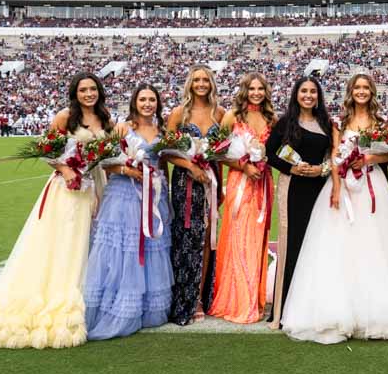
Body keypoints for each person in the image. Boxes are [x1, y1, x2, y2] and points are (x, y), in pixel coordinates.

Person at [282, 74, 388, 343]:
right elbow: (335, 157)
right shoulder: (340, 122)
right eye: (357, 88)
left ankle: (380, 310)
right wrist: (336, 187)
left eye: (366, 88)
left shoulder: (382, 122)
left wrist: (368, 157)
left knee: (376, 246)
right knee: (340, 248)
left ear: (372, 92)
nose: (361, 92)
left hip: (372, 187)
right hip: (345, 188)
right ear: (351, 92)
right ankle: (341, 310)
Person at [0, 73, 112, 349]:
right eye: (83, 89)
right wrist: (66, 169)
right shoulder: (65, 117)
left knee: (89, 244)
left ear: (99, 91)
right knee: (63, 245)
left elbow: (106, 155)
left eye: (93, 89)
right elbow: (45, 150)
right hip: (67, 191)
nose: (89, 93)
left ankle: (90, 303)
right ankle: (56, 301)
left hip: (94, 187)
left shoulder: (106, 118)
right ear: (75, 93)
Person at [84, 83, 173, 340]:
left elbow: (163, 164)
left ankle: (146, 309)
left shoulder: (162, 131)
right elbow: (105, 164)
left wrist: (162, 195)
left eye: (152, 100)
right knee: (125, 251)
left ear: (157, 103)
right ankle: (121, 310)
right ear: (134, 102)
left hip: (153, 197)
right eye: (143, 99)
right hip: (123, 198)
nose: (148, 104)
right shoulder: (122, 129)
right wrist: (129, 171)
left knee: (151, 248)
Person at [208, 73, 275, 324]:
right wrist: (242, 166)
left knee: (257, 240)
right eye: (252, 88)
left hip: (262, 184)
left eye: (260, 88)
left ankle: (253, 299)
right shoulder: (232, 117)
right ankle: (238, 300)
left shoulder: (271, 118)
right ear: (245, 90)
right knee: (239, 239)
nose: (256, 93)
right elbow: (216, 152)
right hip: (240, 183)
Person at [266, 76, 332, 328]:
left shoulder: (326, 123)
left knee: (317, 245)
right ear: (296, 94)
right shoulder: (286, 123)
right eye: (303, 91)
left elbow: (333, 158)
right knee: (292, 244)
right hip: (293, 189)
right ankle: (284, 311)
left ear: (319, 96)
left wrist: (321, 170)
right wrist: (291, 169)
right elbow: (269, 153)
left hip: (320, 189)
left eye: (313, 92)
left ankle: (313, 306)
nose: (308, 95)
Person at [166, 65, 224, 326]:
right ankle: (182, 297)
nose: (201, 84)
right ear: (190, 84)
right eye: (197, 80)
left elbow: (225, 151)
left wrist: (215, 180)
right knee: (184, 238)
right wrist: (190, 166)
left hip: (211, 182)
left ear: (211, 84)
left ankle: (200, 297)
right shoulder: (179, 113)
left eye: (206, 80)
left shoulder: (220, 114)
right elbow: (165, 152)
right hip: (184, 183)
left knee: (207, 239)